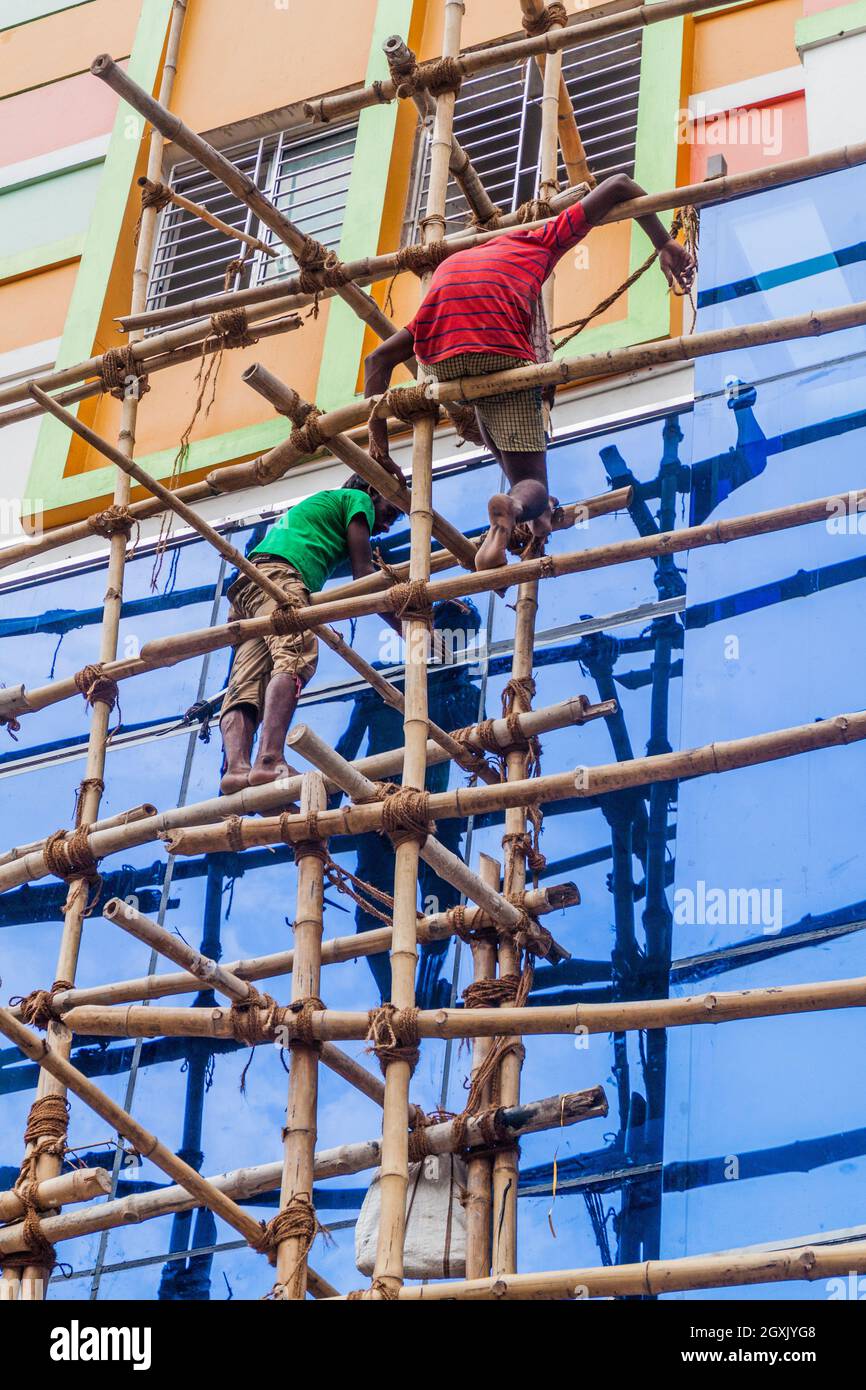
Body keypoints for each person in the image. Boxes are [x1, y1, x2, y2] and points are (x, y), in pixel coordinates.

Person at [364, 173, 696, 574]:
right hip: (501, 350)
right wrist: (664, 244)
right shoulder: (537, 241)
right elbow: (620, 185)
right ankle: (521, 505)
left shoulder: (451, 267)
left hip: (441, 362)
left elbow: (376, 361)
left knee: (491, 408)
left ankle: (525, 510)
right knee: (533, 482)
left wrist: (378, 450)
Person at [333, 598, 483, 1008]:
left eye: (460, 637)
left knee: (443, 899)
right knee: (375, 902)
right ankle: (393, 994)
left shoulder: (463, 692)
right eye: (444, 631)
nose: (449, 643)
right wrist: (326, 805)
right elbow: (348, 745)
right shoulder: (384, 681)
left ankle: (424, 982)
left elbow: (478, 747)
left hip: (432, 810)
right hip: (377, 807)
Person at [219, 476, 402, 794]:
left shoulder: (323, 504)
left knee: (246, 680)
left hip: (247, 588)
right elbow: (364, 576)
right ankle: (269, 760)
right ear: (373, 491)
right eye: (389, 513)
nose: (386, 527)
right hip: (278, 578)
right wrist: (404, 624)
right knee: (295, 652)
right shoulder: (356, 499)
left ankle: (237, 769)